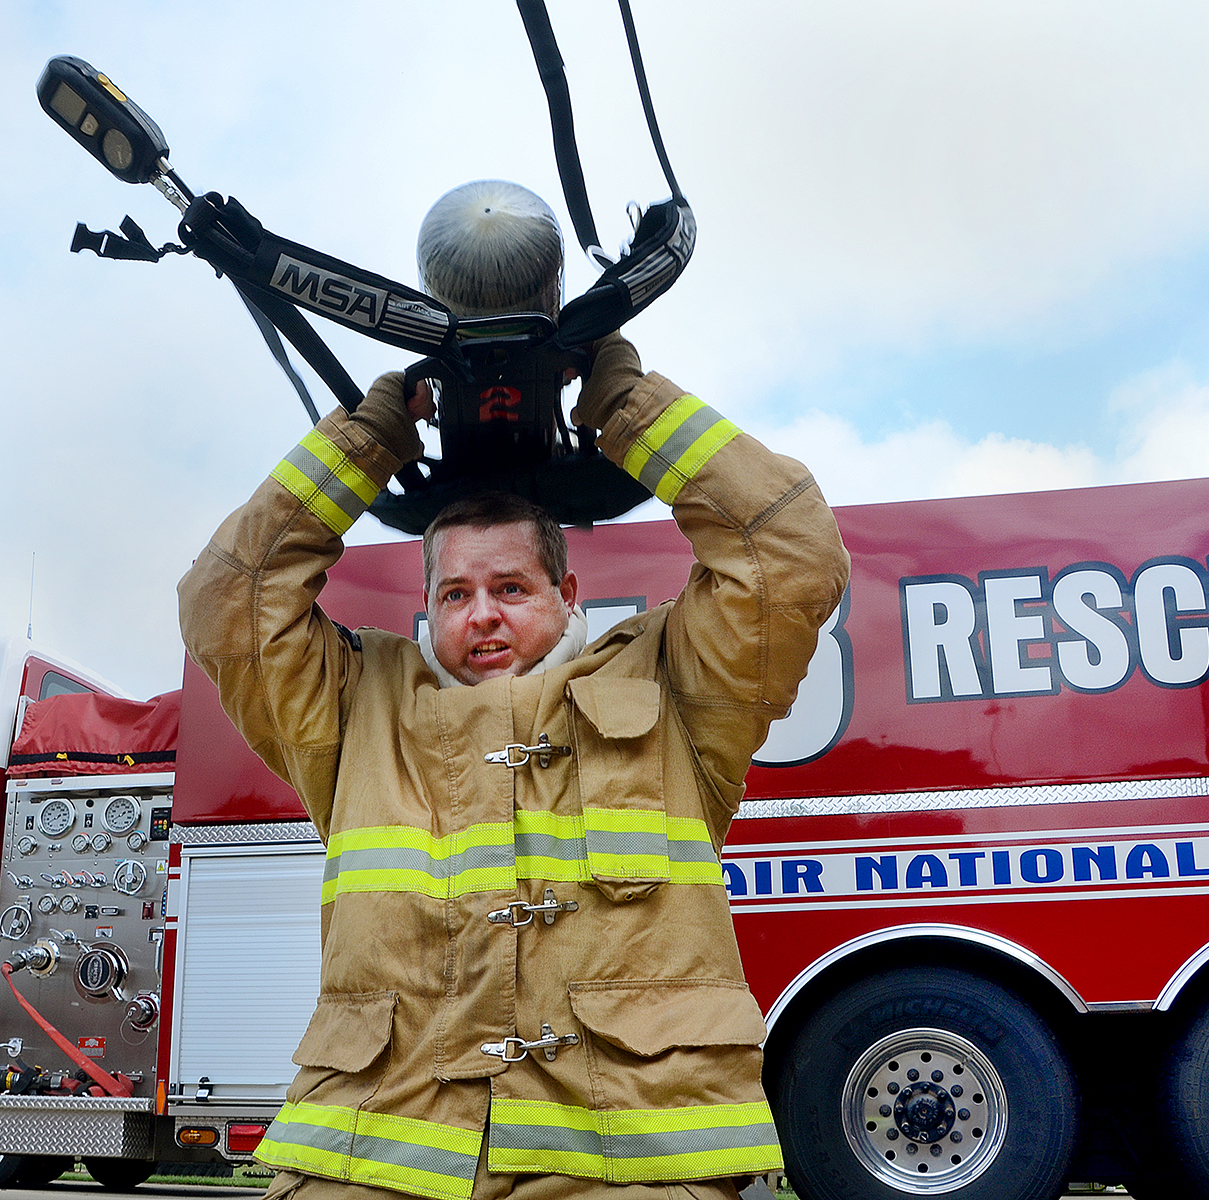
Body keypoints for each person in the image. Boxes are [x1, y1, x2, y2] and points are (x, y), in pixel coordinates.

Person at [177, 183, 849, 1200]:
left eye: (510, 588)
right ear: (426, 606)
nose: (482, 614)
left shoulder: (680, 685)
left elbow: (783, 548)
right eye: (455, 592)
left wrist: (617, 396)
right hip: (378, 1155)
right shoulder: (353, 708)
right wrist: (372, 436)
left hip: (629, 1166)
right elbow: (233, 596)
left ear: (567, 591)